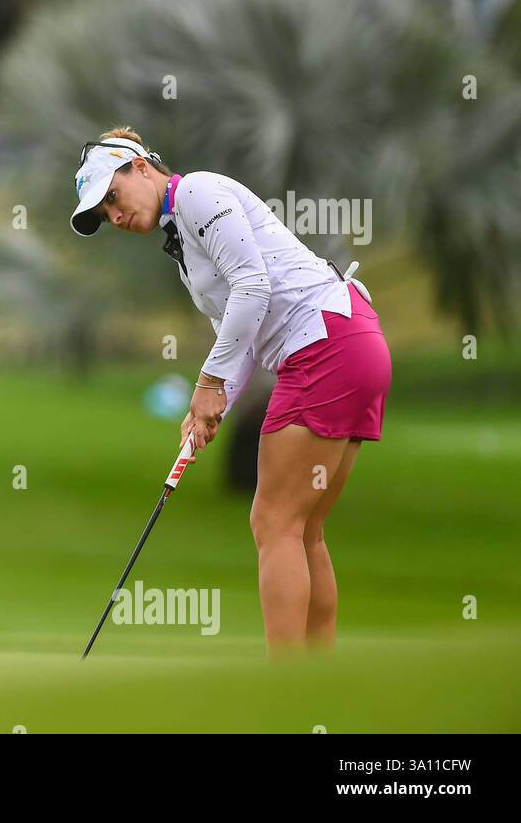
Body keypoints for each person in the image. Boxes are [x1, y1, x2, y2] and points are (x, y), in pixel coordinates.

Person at [70, 126, 391, 658]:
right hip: (350, 343)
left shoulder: (196, 193)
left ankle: (285, 690)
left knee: (274, 523)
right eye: (104, 214)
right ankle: (320, 689)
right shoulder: (184, 238)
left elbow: (253, 287)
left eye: (112, 197)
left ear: (141, 167)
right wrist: (212, 409)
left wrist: (206, 385)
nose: (115, 216)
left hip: (325, 345)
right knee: (304, 529)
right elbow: (241, 333)